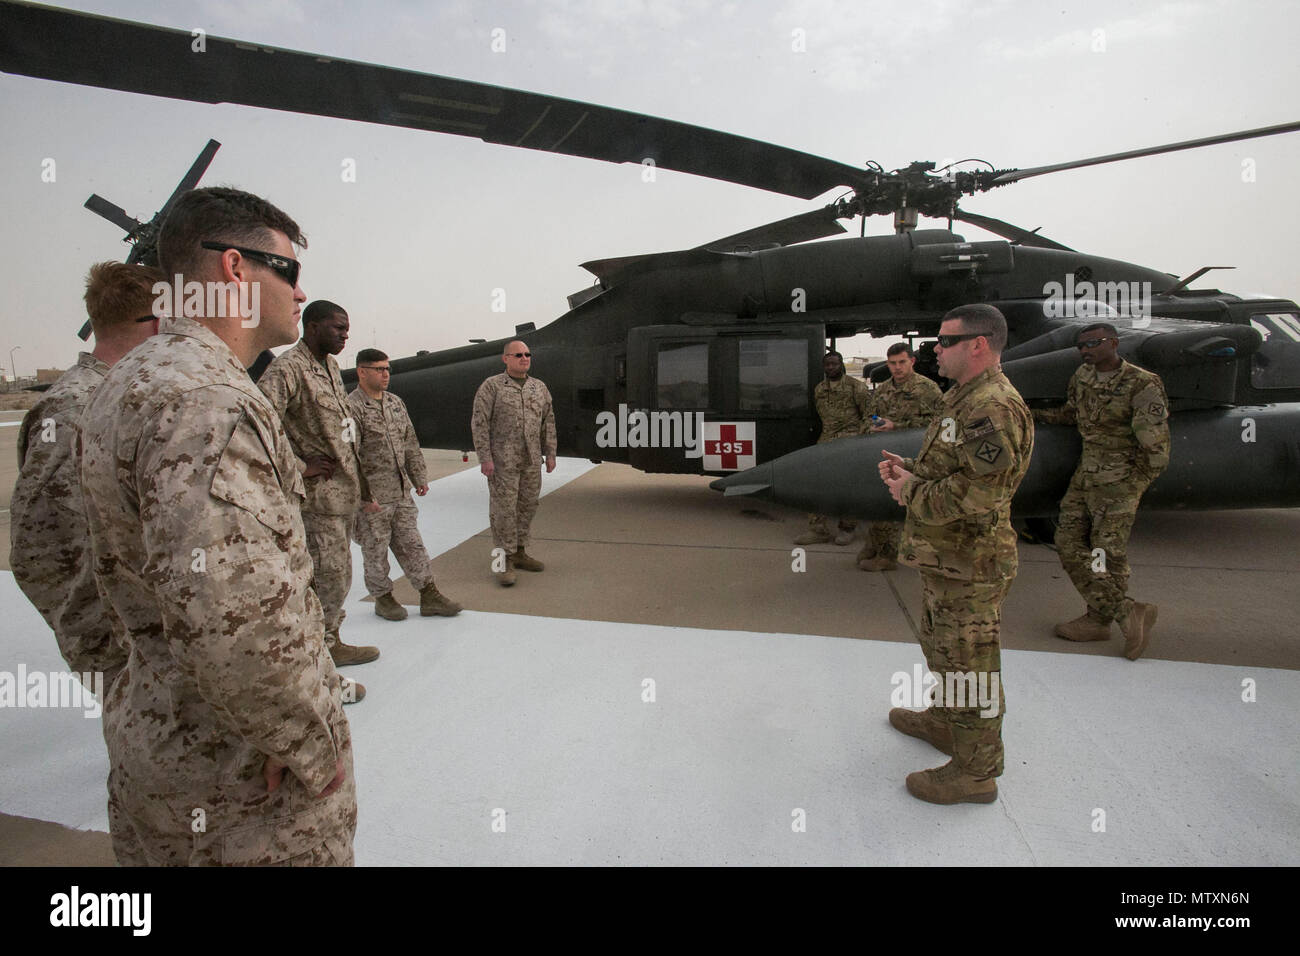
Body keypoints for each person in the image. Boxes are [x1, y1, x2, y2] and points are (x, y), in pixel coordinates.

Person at [79, 186, 356, 865]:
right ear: (234, 268)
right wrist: (307, 743)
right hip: (240, 784)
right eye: (288, 271)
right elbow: (235, 611)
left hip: (159, 743)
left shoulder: (132, 378)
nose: (300, 294)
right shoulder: (209, 398)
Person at [878, 304, 1033, 805]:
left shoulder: (990, 406)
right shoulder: (963, 399)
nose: (934, 350)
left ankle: (976, 773)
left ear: (978, 345)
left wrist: (912, 494)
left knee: (971, 667)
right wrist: (912, 472)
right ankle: (947, 723)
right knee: (944, 650)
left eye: (944, 342)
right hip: (948, 558)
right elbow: (959, 467)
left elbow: (984, 492)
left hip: (972, 562)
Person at [11, 261, 162, 691]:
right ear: (159, 324)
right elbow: (44, 549)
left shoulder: (118, 395)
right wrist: (111, 646)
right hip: (126, 648)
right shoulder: (76, 408)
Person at [1032, 322, 1170, 660]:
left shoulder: (1142, 383)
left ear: (1114, 343)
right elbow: (1072, 414)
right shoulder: (1083, 376)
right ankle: (1123, 612)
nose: (1086, 350)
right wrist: (1032, 414)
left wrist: (1132, 484)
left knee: (1107, 553)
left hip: (1120, 480)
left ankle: (1099, 619)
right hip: (1087, 473)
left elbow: (1156, 448)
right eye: (1081, 345)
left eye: (1093, 343)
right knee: (1066, 542)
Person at [258, 300, 378, 668]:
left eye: (346, 328)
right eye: (337, 327)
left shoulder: (328, 366)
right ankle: (320, 650)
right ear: (312, 326)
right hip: (317, 502)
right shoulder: (288, 370)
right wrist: (299, 466)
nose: (345, 334)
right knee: (328, 576)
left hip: (341, 498)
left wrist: (363, 486)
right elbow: (257, 426)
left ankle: (326, 641)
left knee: (337, 575)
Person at [349, 348, 462, 619]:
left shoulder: (395, 403)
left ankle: (429, 594)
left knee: (412, 544)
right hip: (373, 498)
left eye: (388, 368)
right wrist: (364, 496)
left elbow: (410, 442)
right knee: (375, 550)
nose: (386, 374)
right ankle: (383, 598)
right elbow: (349, 457)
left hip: (400, 493)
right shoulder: (350, 408)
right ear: (362, 372)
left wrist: (419, 476)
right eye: (379, 369)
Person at [471, 340, 556, 586]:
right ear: (505, 358)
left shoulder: (538, 387)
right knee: (503, 511)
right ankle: (502, 560)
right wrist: (485, 457)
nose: (524, 358)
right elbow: (480, 423)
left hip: (531, 459)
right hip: (502, 461)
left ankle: (518, 552)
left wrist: (550, 453)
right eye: (518, 354)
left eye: (528, 354)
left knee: (527, 505)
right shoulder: (492, 387)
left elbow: (548, 421)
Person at [857, 342, 944, 571]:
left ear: (912, 361)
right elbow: (869, 417)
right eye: (893, 363)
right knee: (878, 500)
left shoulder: (928, 389)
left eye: (902, 362)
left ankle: (888, 555)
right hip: (884, 453)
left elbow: (941, 425)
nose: (897, 368)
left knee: (895, 505)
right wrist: (872, 427)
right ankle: (875, 544)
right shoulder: (883, 389)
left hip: (912, 456)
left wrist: (897, 425)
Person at [795, 350, 873, 547]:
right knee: (816, 485)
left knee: (849, 488)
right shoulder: (820, 389)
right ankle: (818, 530)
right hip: (827, 443)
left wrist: (860, 442)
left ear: (841, 365)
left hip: (850, 445)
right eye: (827, 364)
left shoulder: (857, 388)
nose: (831, 367)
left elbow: (870, 416)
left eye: (834, 364)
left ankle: (847, 529)